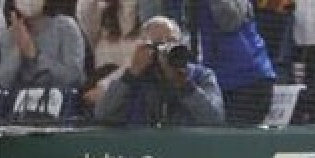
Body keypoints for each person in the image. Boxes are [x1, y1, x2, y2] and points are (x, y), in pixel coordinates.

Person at [94, 16, 224, 126]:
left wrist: (185, 86)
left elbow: (216, 119)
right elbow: (102, 115)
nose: (166, 50)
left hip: (188, 148)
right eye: (158, 44)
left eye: (172, 42)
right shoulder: (134, 77)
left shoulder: (201, 75)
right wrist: (131, 75)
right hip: (143, 150)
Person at [0, 0, 86, 91]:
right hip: (23, 100)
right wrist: (18, 49)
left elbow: (73, 77)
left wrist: (36, 56)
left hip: (58, 99)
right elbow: (4, 81)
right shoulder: (12, 32)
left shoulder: (65, 26)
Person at [75, 0, 145, 109]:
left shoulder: (150, 18)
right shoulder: (99, 15)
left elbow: (137, 62)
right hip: (98, 97)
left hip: (135, 94)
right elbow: (84, 11)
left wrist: (106, 86)